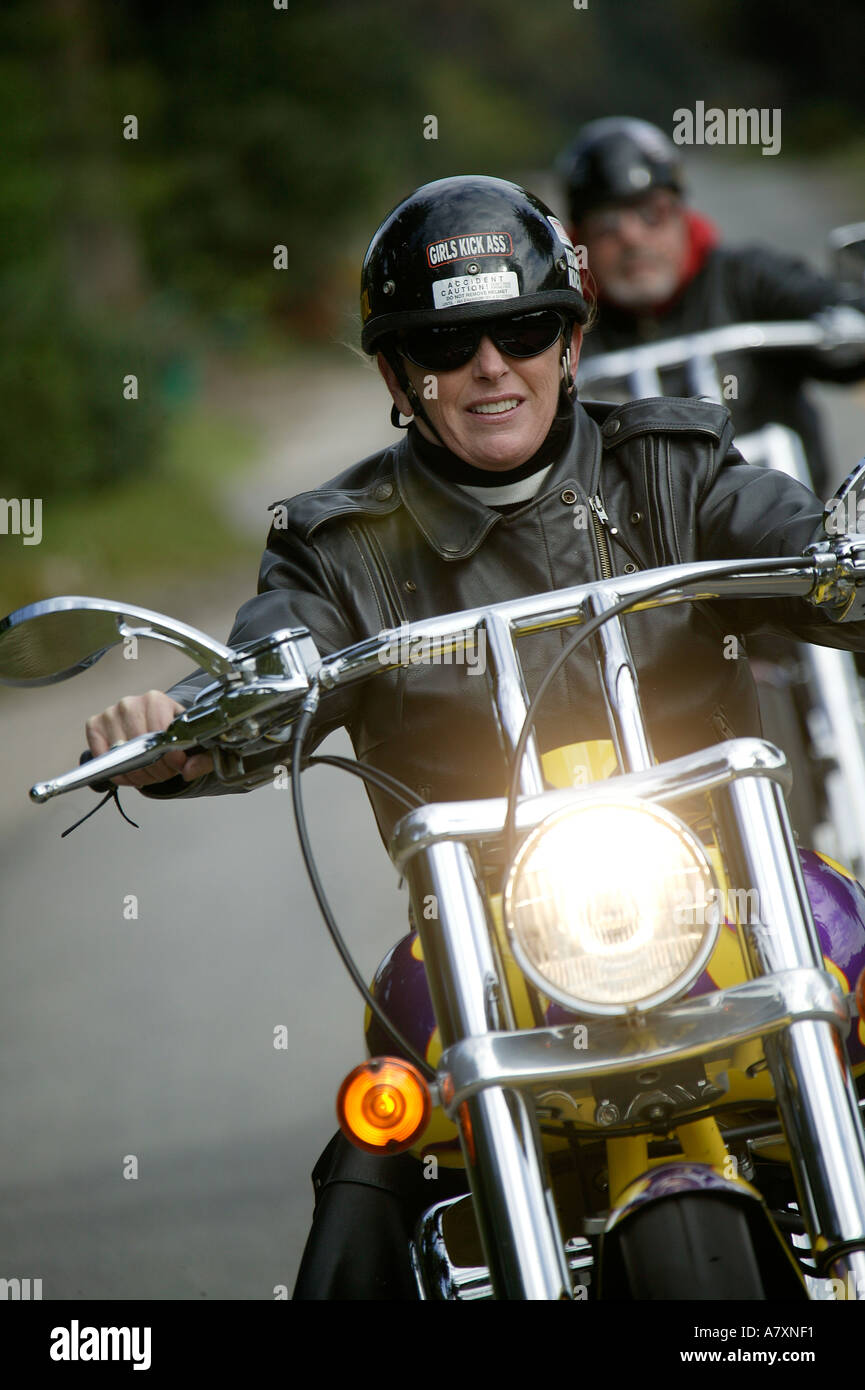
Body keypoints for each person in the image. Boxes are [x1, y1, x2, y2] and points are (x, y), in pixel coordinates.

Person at [84, 174, 865, 1298]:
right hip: (486, 939)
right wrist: (184, 727)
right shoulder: (334, 547)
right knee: (381, 1124)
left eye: (521, 327)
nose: (491, 364)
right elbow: (275, 653)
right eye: (448, 342)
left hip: (737, 890)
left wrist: (843, 568)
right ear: (399, 375)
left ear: (570, 340)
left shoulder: (674, 466)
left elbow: (795, 543)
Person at [557, 116, 865, 497]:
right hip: (637, 548)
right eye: (607, 225)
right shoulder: (565, 327)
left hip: (791, 535)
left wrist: (849, 317)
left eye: (652, 214)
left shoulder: (745, 279)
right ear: (577, 239)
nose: (633, 238)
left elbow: (827, 313)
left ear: (682, 214)